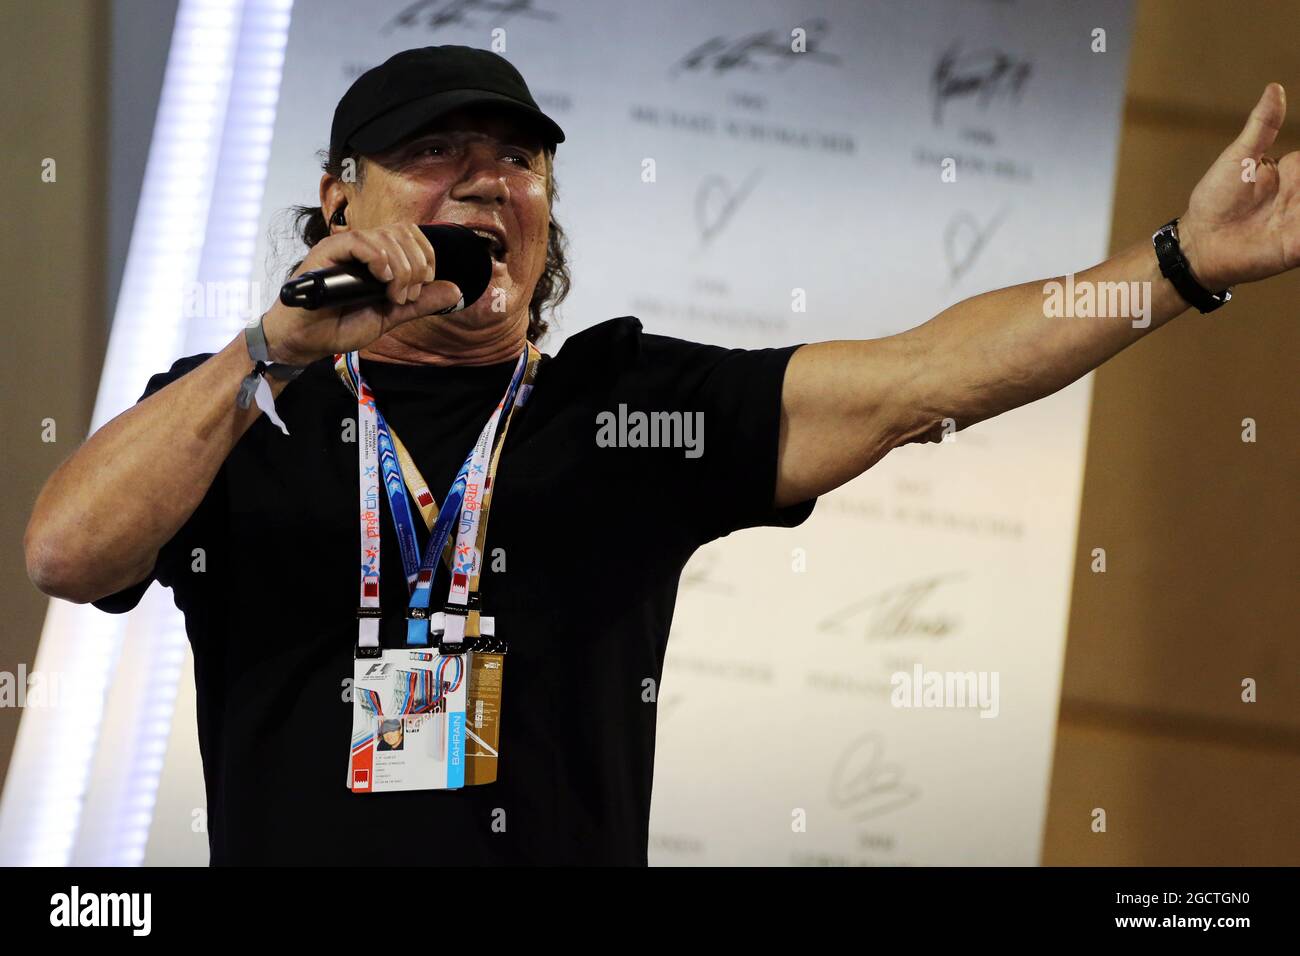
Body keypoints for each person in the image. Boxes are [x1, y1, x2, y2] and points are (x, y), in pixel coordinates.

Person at [23, 45, 1300, 865]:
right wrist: (274, 347)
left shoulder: (623, 409)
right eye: (432, 157)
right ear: (337, 196)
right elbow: (67, 550)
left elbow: (925, 379)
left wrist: (1178, 263)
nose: (483, 184)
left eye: (515, 160)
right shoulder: (244, 409)